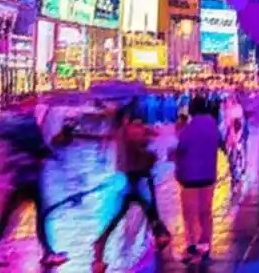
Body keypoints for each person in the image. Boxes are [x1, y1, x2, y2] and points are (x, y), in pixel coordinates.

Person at [0, 97, 68, 267]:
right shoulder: (28, 124)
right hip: (29, 177)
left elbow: (7, 141)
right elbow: (37, 147)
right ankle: (47, 253)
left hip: (19, 175)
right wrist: (52, 152)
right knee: (38, 216)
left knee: (10, 216)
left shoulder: (14, 123)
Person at [94, 109, 169, 272]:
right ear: (127, 119)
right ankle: (160, 236)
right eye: (136, 123)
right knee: (149, 209)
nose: (139, 127)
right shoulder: (130, 134)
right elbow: (141, 153)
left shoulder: (121, 132)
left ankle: (99, 253)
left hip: (126, 178)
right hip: (137, 178)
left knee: (121, 216)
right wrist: (150, 153)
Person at [173, 96, 223, 264]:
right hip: (208, 175)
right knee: (206, 213)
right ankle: (205, 245)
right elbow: (219, 144)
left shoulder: (188, 128)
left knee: (190, 214)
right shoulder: (213, 126)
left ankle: (192, 247)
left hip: (189, 176)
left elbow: (180, 149)